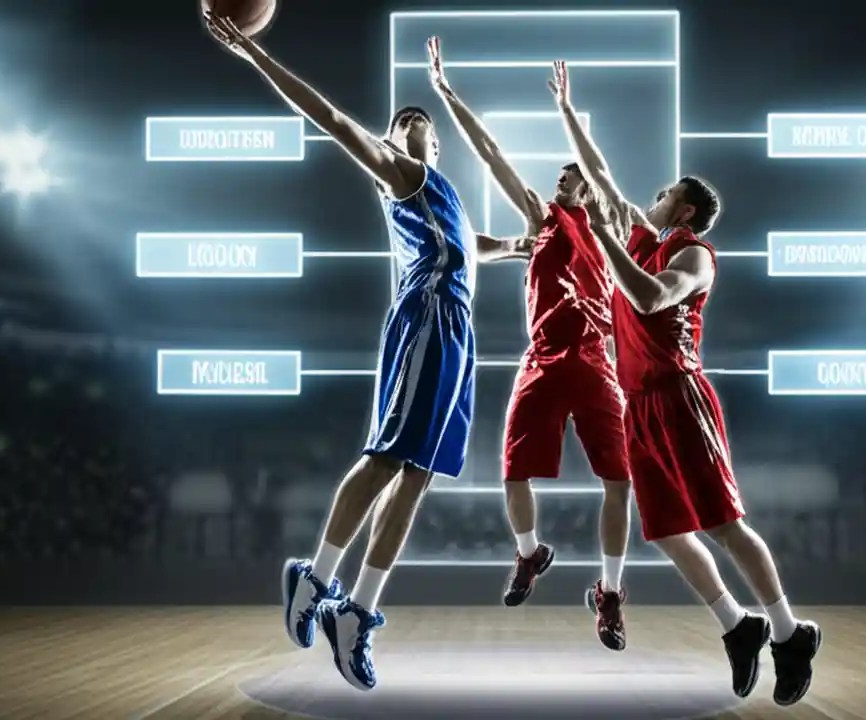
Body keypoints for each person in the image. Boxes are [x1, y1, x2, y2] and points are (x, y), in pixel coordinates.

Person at [205, 14, 532, 692]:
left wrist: (510, 246)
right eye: (400, 119)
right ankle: (315, 576)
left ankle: (356, 611)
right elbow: (327, 115)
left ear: (437, 145)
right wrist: (256, 54)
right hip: (427, 318)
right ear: (390, 142)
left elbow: (469, 246)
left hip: (459, 332)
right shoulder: (400, 172)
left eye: (421, 120)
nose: (410, 120)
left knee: (418, 476)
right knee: (387, 457)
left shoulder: (446, 195)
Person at [549, 60, 822, 705]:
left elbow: (648, 298)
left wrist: (601, 235)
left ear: (686, 209)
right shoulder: (640, 235)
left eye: (666, 191)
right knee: (668, 530)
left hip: (680, 395)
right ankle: (738, 624)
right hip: (637, 404)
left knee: (723, 524)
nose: (653, 194)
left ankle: (790, 633)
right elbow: (602, 176)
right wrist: (566, 110)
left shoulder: (693, 253)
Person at [426, 38, 634, 650]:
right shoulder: (542, 220)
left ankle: (610, 594)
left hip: (595, 363)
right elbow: (491, 154)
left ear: (588, 185)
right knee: (512, 473)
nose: (561, 177)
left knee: (620, 482)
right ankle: (529, 553)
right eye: (561, 175)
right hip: (543, 360)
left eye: (570, 174)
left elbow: (599, 169)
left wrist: (569, 111)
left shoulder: (614, 229)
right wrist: (447, 93)